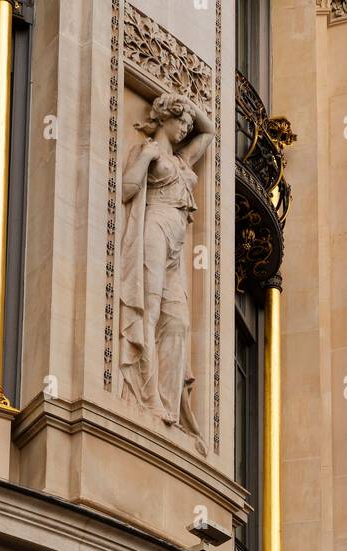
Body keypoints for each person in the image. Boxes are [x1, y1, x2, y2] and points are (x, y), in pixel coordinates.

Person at [119, 92, 214, 452]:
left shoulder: (181, 158)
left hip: (176, 241)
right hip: (155, 227)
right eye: (181, 122)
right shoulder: (150, 152)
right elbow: (127, 190)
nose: (186, 129)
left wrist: (188, 105)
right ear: (164, 119)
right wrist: (145, 158)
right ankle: (148, 397)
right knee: (150, 309)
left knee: (178, 321)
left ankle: (168, 401)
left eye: (187, 124)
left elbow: (209, 131)